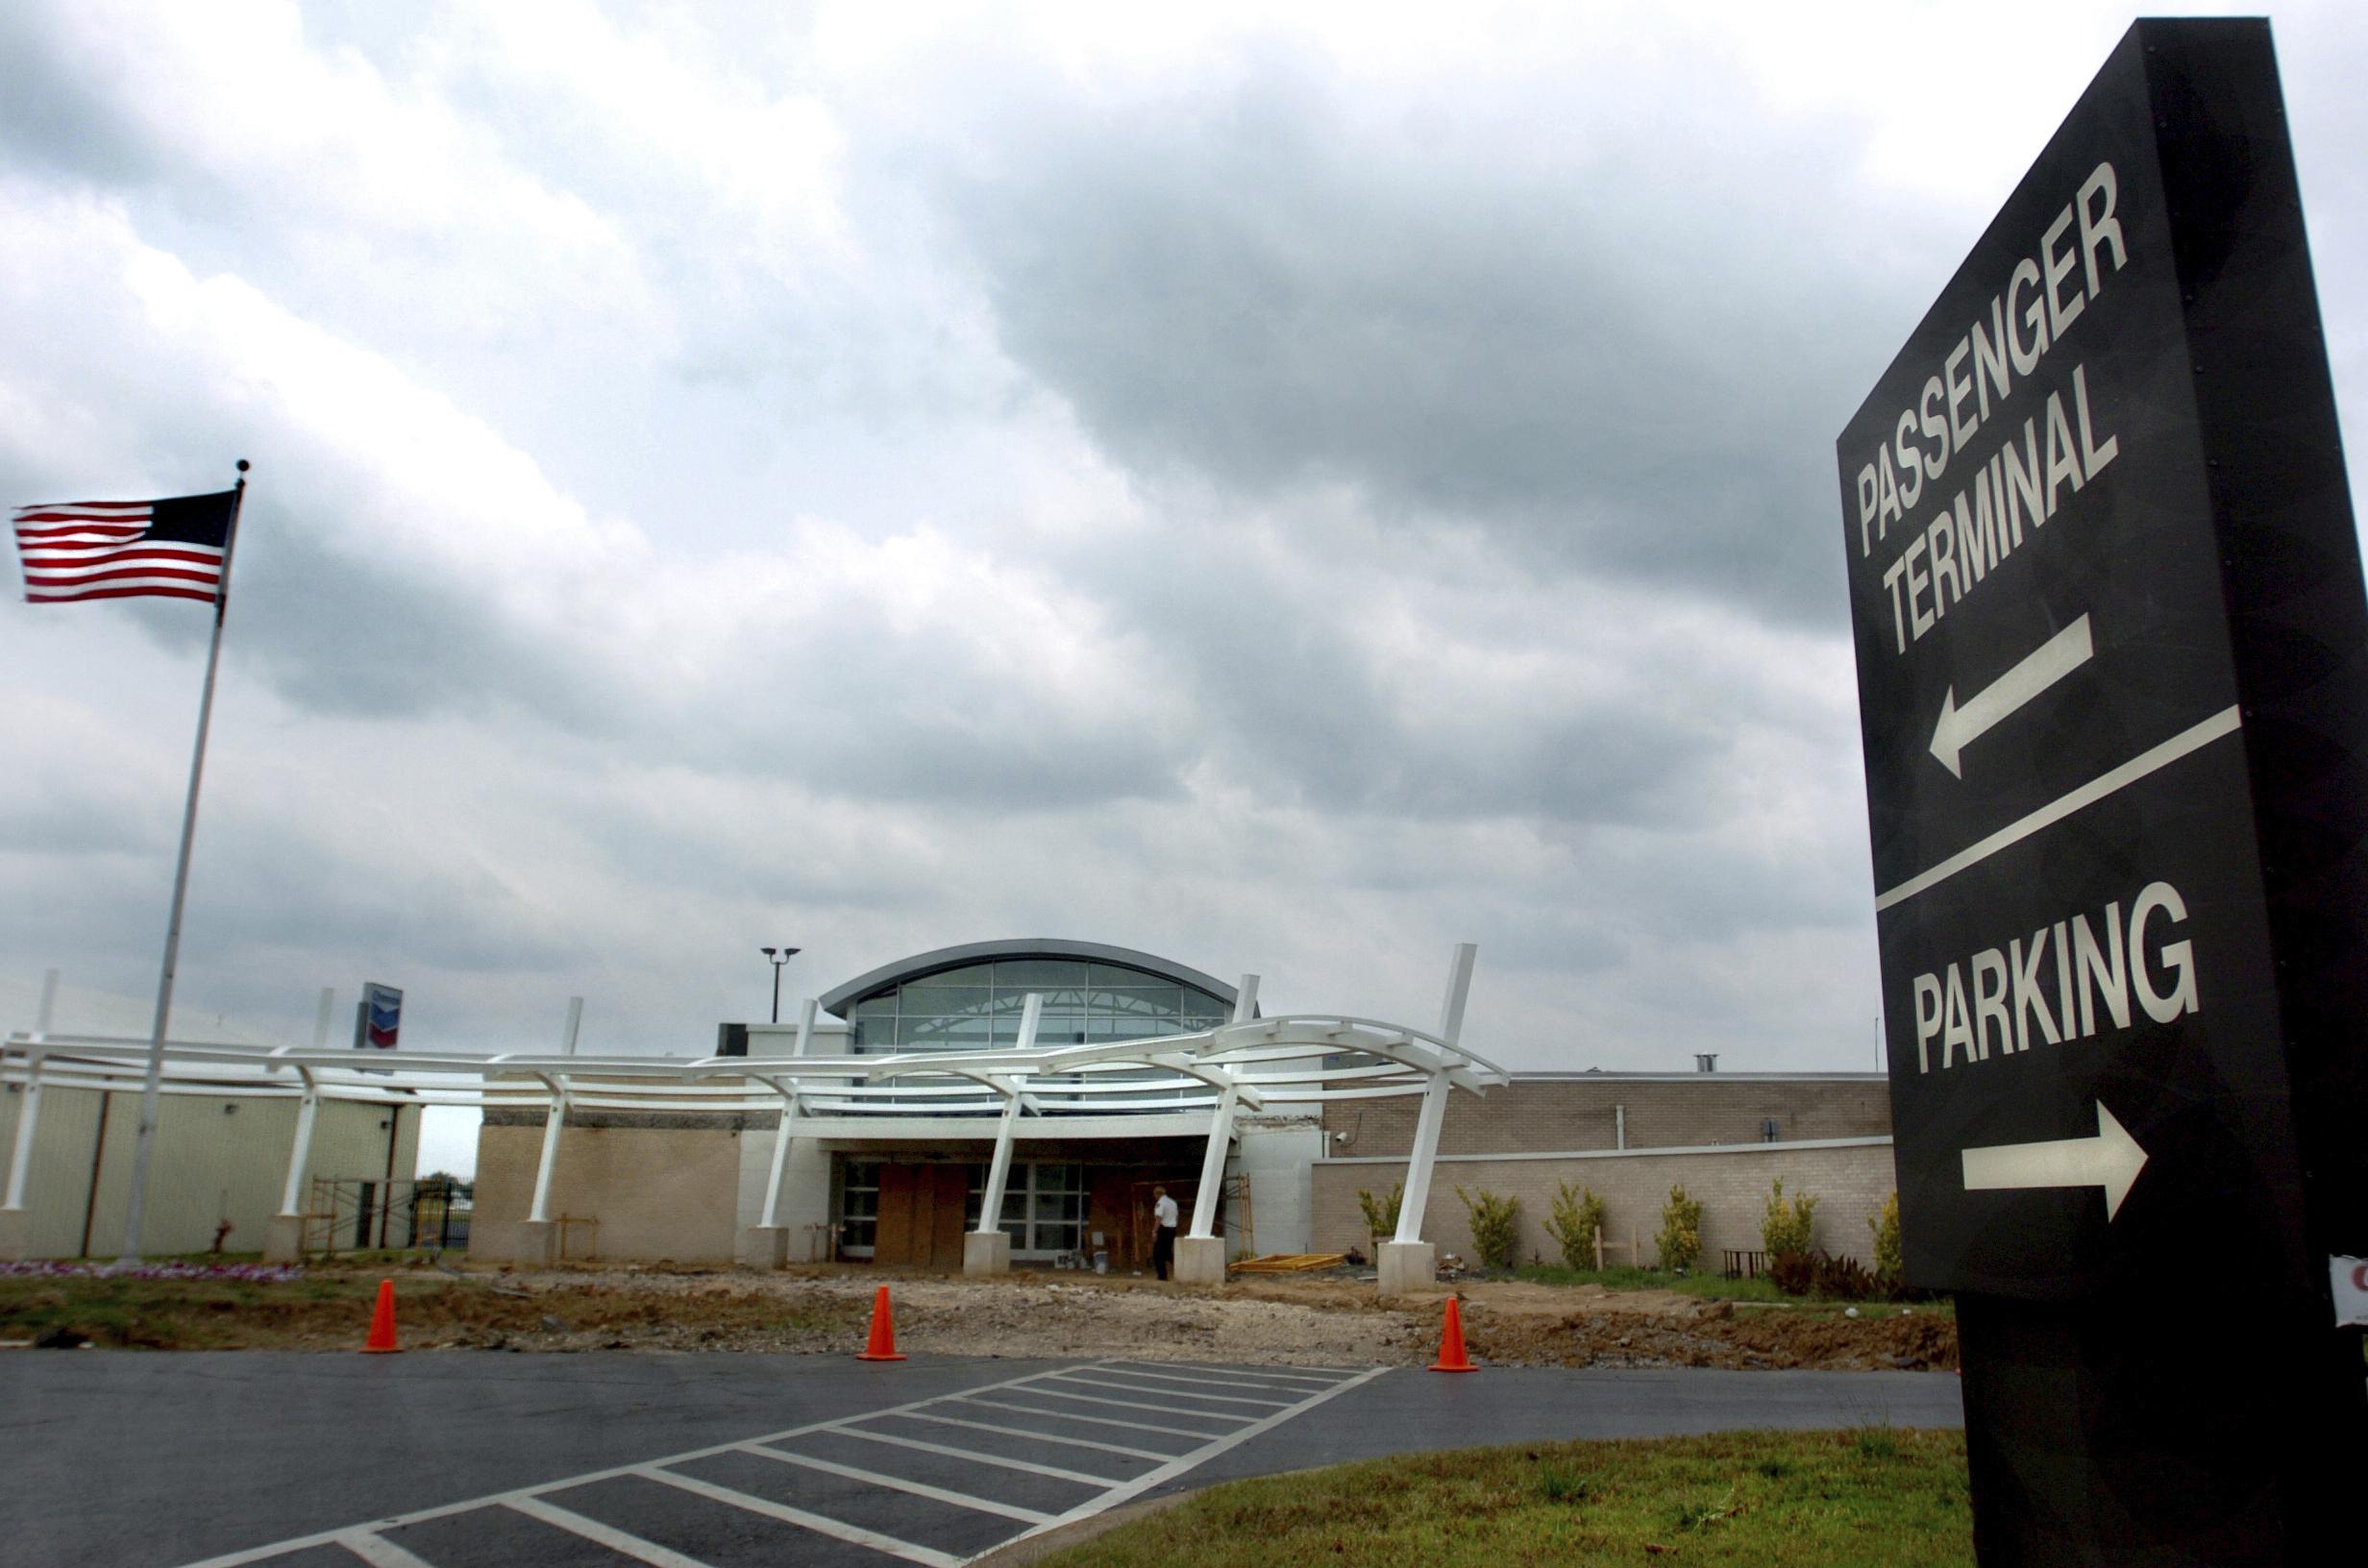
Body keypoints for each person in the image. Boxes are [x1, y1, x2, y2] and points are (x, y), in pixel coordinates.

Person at [1151, 1185, 1179, 1280]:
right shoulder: (1173, 1202)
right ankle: (1181, 1267)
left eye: (1154, 1195)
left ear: (1157, 1194)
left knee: (1157, 1254)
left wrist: (1155, 1231)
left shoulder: (1160, 1203)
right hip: (1172, 1229)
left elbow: (1158, 1218)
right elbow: (1176, 1217)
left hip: (1164, 1229)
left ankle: (1162, 1276)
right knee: (1167, 1252)